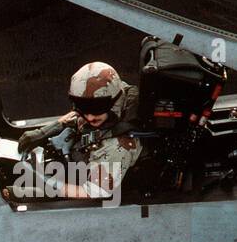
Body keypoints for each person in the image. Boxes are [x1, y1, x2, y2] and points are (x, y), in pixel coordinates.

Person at [15, 62, 143, 199]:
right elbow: (81, 112)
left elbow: (93, 193)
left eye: (95, 110)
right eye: (83, 109)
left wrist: (43, 182)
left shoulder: (119, 145)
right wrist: (45, 131)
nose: (89, 117)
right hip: (80, 159)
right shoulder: (110, 92)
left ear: (114, 102)